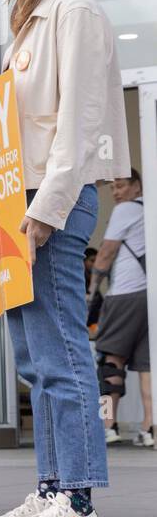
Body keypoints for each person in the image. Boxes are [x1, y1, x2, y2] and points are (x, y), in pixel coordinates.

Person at [0, 0, 128, 517]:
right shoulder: (28, 23)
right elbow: (11, 128)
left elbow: (79, 126)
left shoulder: (74, 12)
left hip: (52, 204)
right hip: (21, 200)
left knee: (63, 348)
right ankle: (50, 490)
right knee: (37, 357)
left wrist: (42, 215)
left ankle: (78, 502)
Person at [90, 171, 151, 447]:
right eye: (113, 187)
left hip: (124, 294)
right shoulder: (149, 211)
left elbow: (106, 252)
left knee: (109, 361)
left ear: (136, 186)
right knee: (147, 364)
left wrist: (92, 289)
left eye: (121, 186)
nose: (116, 192)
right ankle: (149, 428)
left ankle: (107, 426)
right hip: (148, 295)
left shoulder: (125, 209)